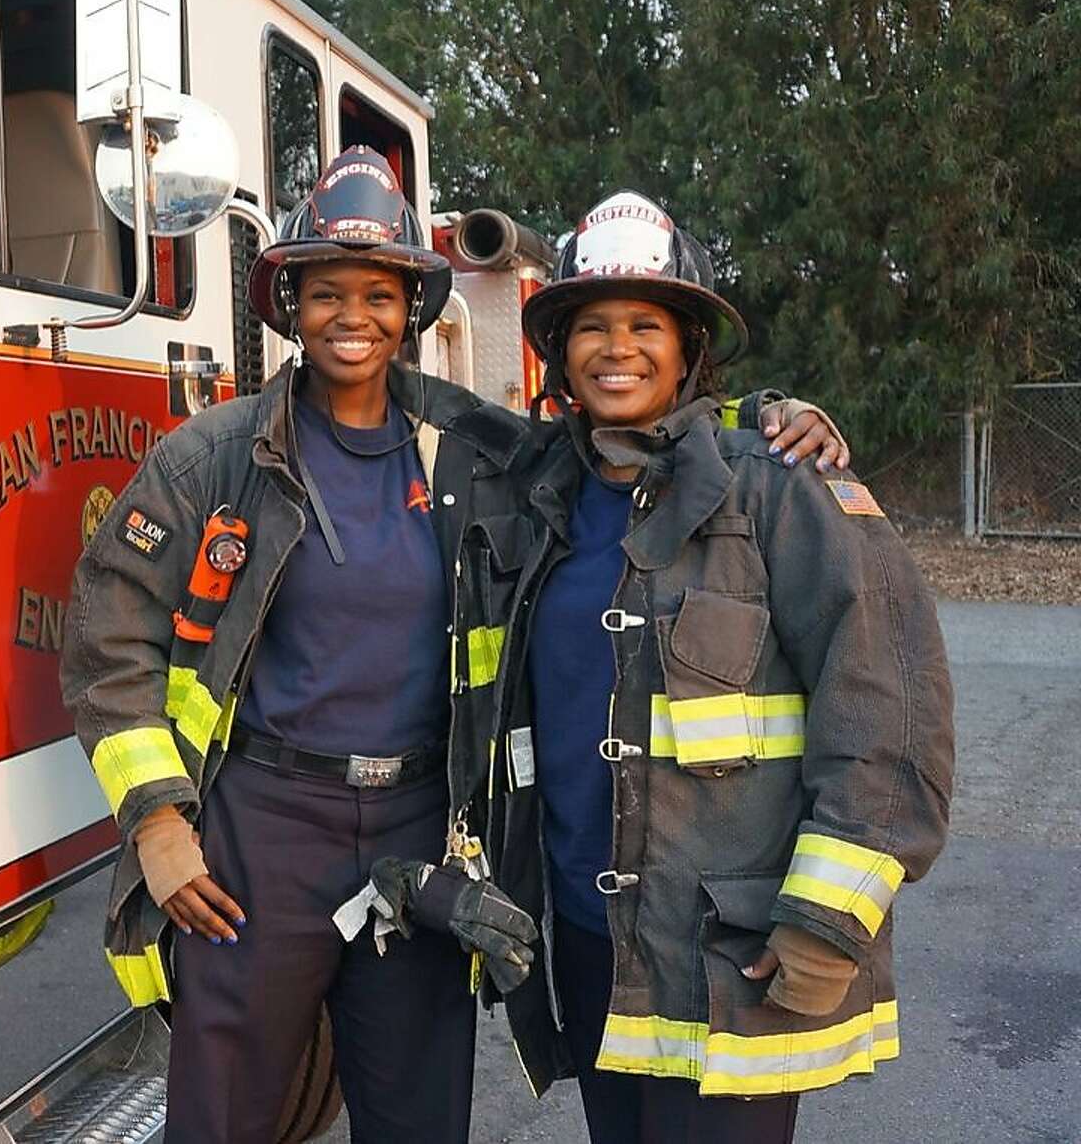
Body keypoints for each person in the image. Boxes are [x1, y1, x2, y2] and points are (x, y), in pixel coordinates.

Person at [59, 152, 849, 1144]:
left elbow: (628, 428)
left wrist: (763, 418)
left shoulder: (477, 449)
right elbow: (106, 647)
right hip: (262, 832)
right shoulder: (210, 459)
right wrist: (159, 824)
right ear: (290, 304)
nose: (354, 317)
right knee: (224, 1116)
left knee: (419, 1114)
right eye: (329, 293)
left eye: (380, 295)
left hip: (423, 831)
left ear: (412, 310)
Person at [422, 190, 951, 1144]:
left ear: (688, 348)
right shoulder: (541, 495)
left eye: (644, 325)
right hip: (589, 940)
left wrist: (829, 920)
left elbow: (890, 714)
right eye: (591, 326)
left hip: (729, 953)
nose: (615, 348)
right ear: (560, 351)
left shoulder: (783, 490)